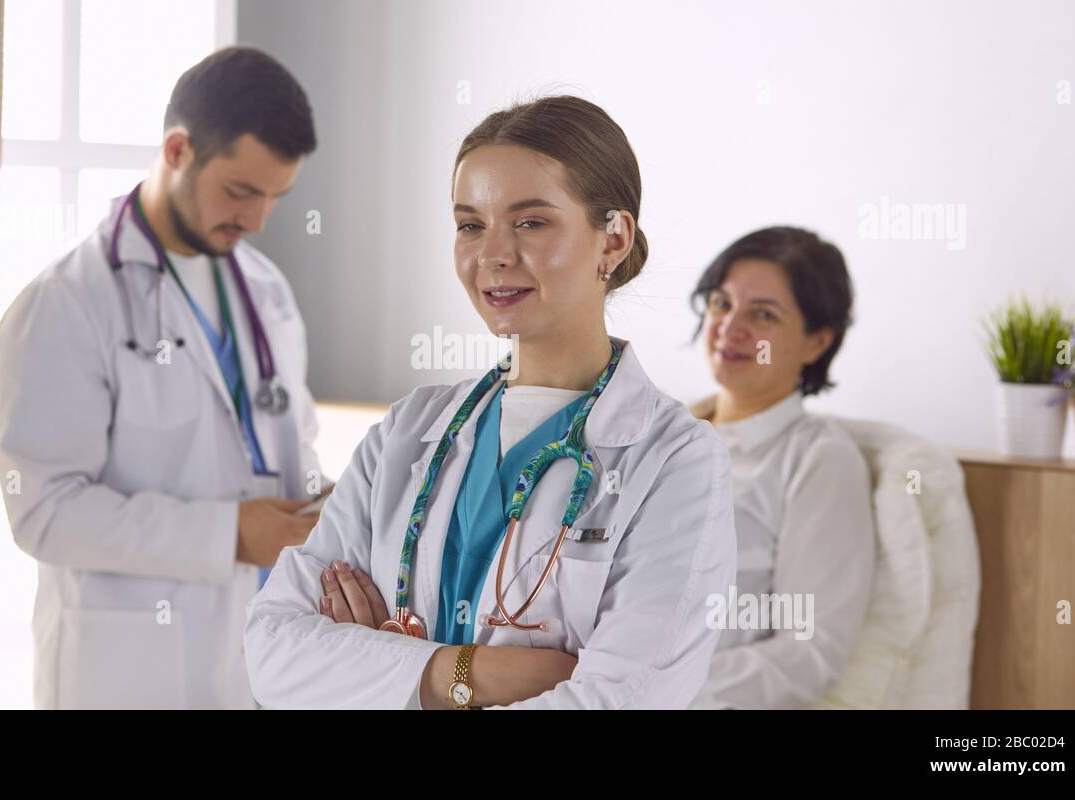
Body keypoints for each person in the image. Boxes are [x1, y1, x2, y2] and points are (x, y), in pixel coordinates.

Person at [243, 95, 737, 709]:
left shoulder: (676, 461)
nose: (493, 255)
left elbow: (618, 701)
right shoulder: (408, 430)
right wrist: (470, 673)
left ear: (612, 241)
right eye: (470, 225)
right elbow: (271, 652)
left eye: (530, 222)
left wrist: (378, 673)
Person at [0, 46, 327, 709]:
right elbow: (43, 512)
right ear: (178, 150)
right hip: (124, 674)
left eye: (275, 197)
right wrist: (229, 533)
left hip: (258, 662)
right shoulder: (67, 302)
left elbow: (291, 449)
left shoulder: (266, 291)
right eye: (241, 191)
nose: (257, 220)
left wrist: (322, 503)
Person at [686, 226, 876, 709]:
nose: (730, 327)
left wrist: (649, 692)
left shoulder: (818, 459)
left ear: (816, 342)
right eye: (722, 303)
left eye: (763, 314)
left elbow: (810, 652)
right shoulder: (657, 432)